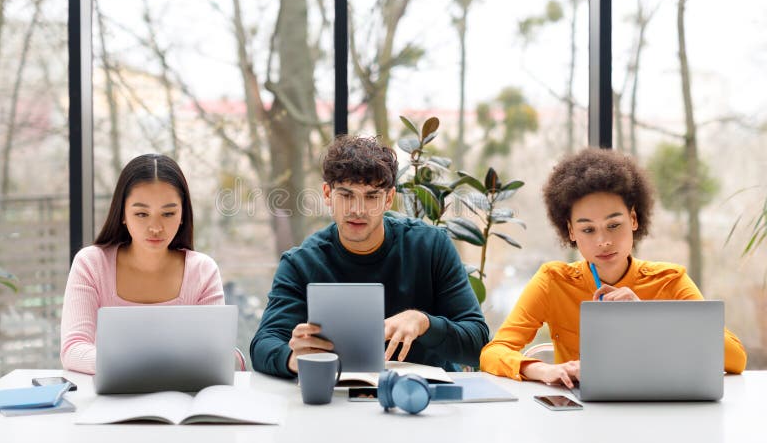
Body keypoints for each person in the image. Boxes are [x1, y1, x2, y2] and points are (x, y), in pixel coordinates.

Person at [480, 147, 747, 386]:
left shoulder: (670, 280)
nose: (603, 241)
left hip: (658, 411)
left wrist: (646, 317)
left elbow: (736, 359)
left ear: (633, 219)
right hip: (580, 417)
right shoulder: (553, 281)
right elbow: (493, 353)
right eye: (587, 229)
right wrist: (541, 370)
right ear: (571, 231)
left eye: (614, 225)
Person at [250, 135, 489, 378]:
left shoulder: (430, 246)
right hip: (336, 399)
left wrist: (425, 323)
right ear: (327, 194)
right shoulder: (301, 263)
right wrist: (292, 358)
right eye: (346, 195)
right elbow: (263, 344)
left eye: (371, 197)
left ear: (388, 199)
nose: (357, 210)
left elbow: (478, 343)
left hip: (425, 397)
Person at [60, 154, 224, 374]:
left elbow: (213, 352)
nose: (155, 227)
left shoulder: (203, 271)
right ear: (123, 214)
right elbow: (73, 348)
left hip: (180, 398)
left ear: (183, 214)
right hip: (110, 399)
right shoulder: (91, 264)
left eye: (168, 213)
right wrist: (137, 367)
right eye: (141, 214)